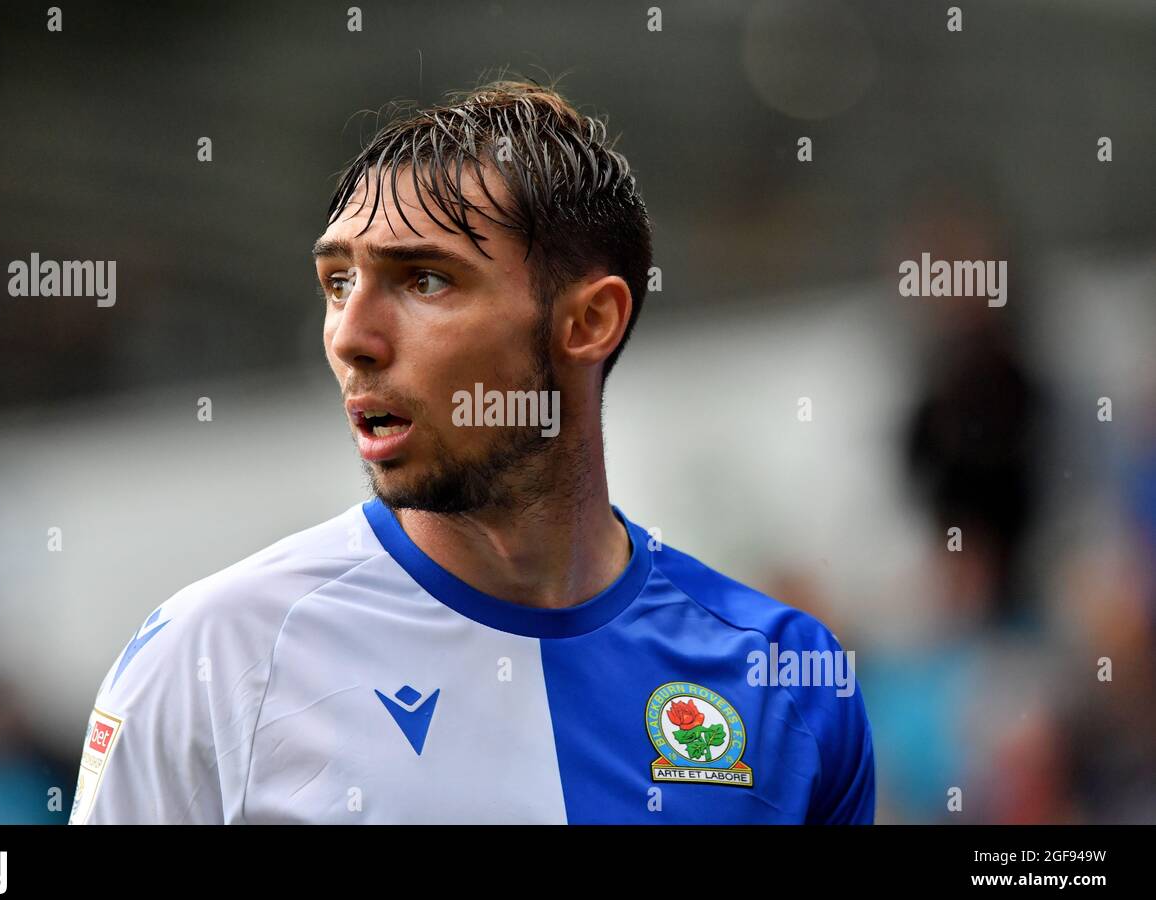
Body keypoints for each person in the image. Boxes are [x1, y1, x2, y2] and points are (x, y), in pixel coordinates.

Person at [69, 80, 873, 824]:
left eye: (425, 280)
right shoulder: (210, 657)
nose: (350, 337)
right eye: (338, 283)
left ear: (589, 322)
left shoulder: (784, 679)